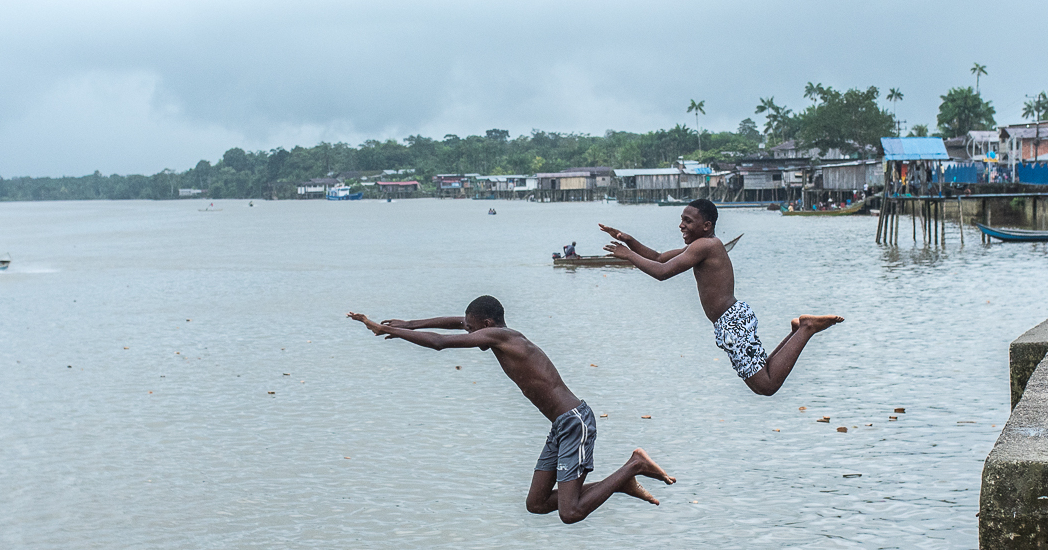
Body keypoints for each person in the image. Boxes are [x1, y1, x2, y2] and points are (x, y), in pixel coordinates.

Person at [346, 296, 674, 524]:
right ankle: (622, 483)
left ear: (487, 324)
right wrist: (411, 323)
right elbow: (454, 322)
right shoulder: (494, 333)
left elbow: (440, 342)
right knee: (536, 504)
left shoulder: (506, 338)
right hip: (561, 425)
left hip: (575, 422)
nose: (469, 334)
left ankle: (633, 466)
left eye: (473, 329)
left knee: (570, 513)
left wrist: (387, 329)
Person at [598, 199, 844, 396]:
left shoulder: (705, 246)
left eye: (687, 221)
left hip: (732, 323)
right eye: (681, 220)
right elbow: (660, 257)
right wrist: (629, 241)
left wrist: (627, 256)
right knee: (764, 376)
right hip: (730, 322)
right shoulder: (702, 245)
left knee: (767, 386)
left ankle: (806, 328)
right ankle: (796, 331)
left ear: (706, 225)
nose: (681, 225)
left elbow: (662, 273)